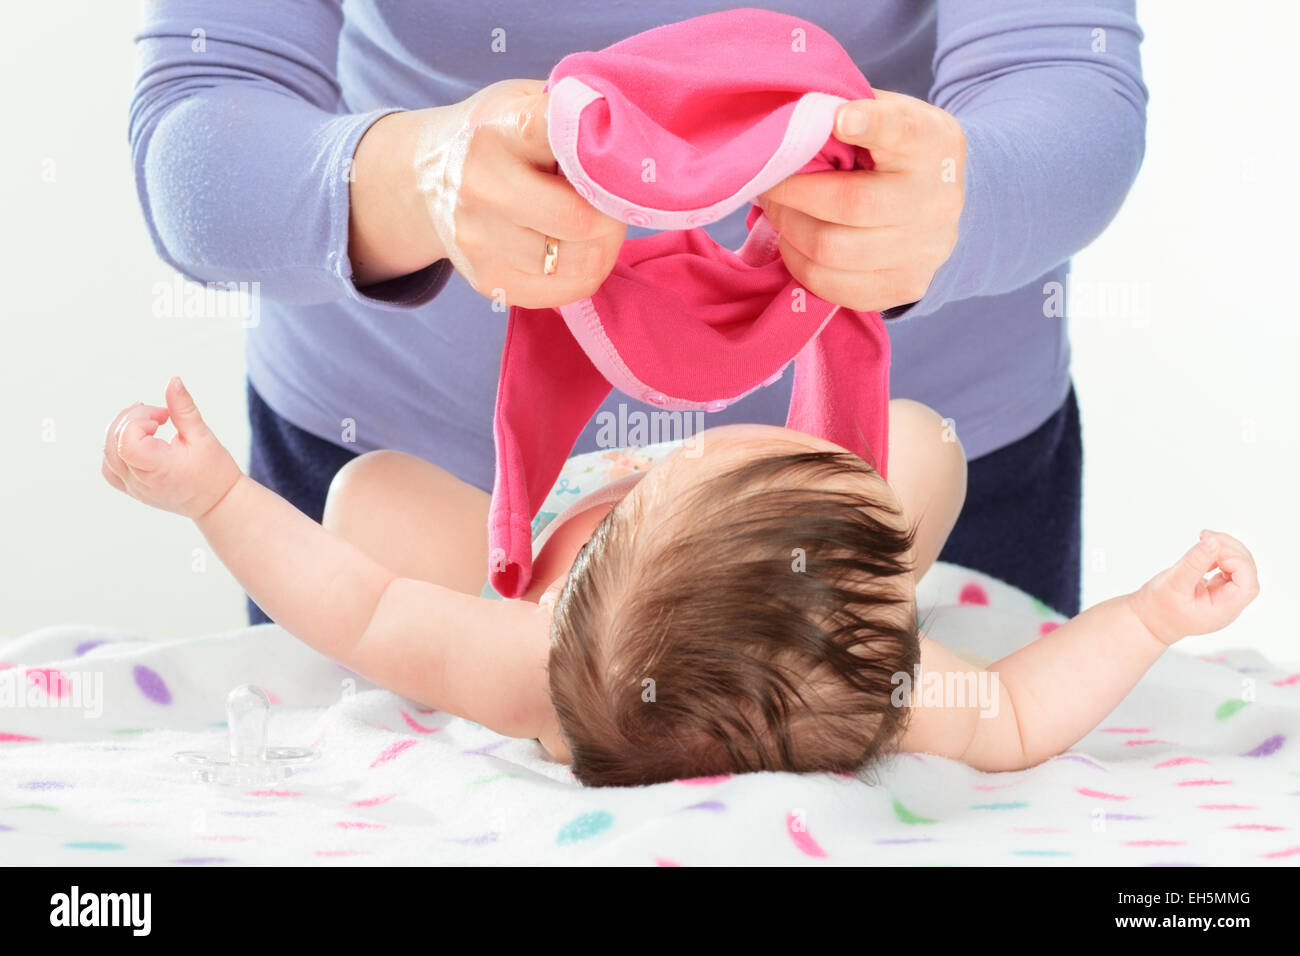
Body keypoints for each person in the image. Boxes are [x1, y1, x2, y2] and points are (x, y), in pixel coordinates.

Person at [128, 2, 1147, 619]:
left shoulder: (904, 489)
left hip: (913, 516)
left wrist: (956, 198)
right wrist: (413, 179)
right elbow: (200, 128)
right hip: (417, 471)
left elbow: (1066, 71)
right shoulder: (474, 613)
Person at [101, 379, 1257, 785]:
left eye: (707, 454)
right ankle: (871, 496)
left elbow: (357, 604)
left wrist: (215, 494)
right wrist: (1148, 617)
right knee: (917, 442)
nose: (698, 433)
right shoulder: (880, 677)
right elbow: (1020, 710)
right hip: (744, 560)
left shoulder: (534, 658)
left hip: (531, 551)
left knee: (364, 501)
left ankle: (847, 498)